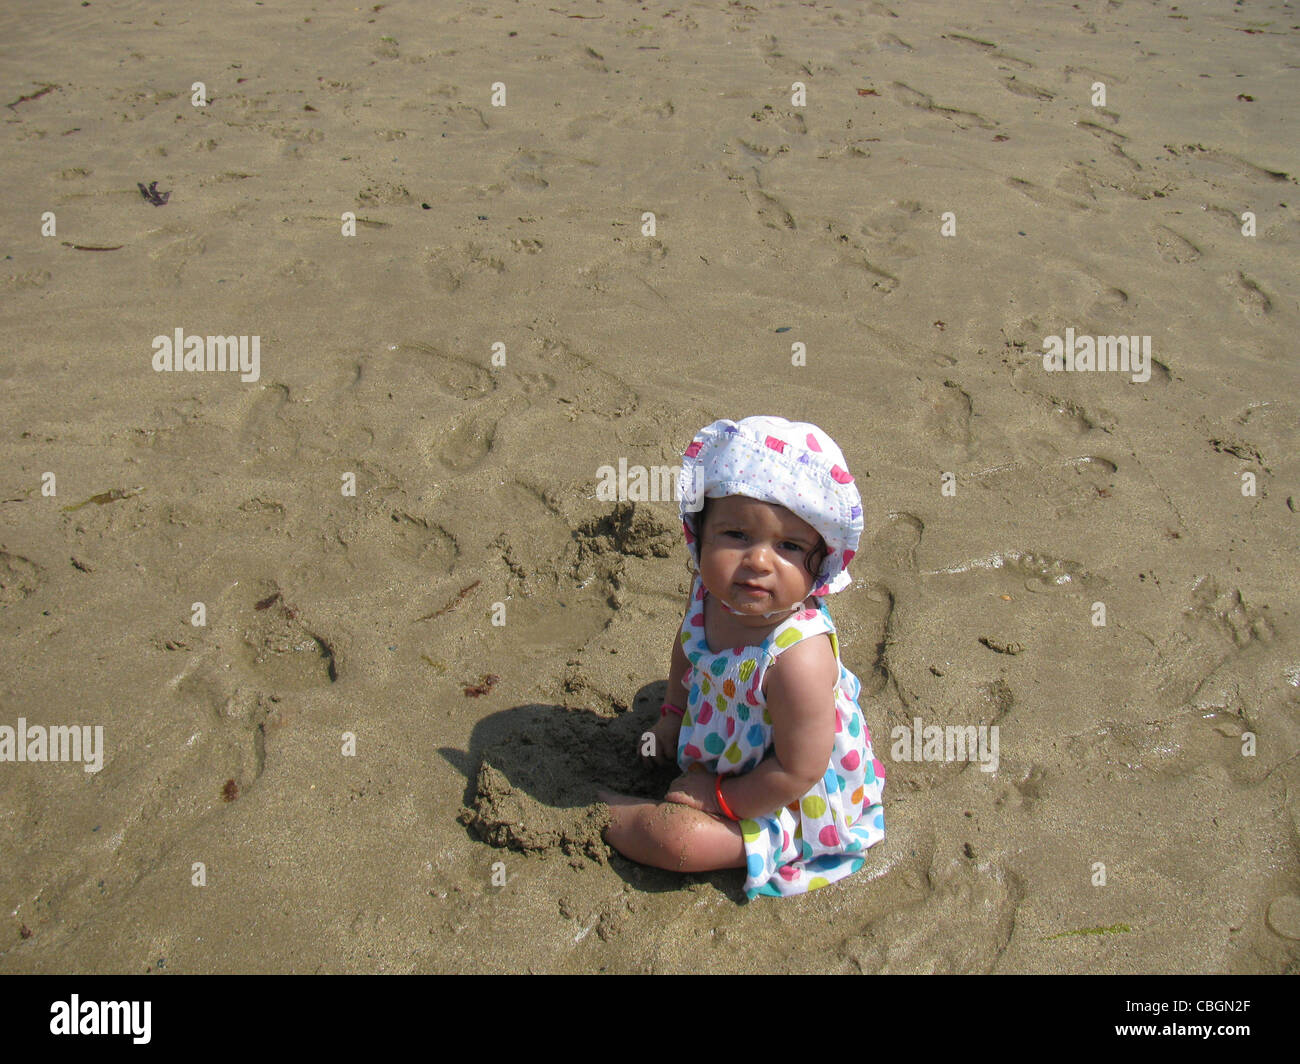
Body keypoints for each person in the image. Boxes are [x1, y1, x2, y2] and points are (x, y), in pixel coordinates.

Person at [599, 416, 886, 898]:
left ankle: (604, 810)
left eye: (789, 546)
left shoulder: (798, 658)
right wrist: (671, 715)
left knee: (679, 841)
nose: (757, 561)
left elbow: (798, 770)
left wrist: (719, 798)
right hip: (728, 741)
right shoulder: (710, 594)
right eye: (735, 535)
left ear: (821, 564)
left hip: (783, 790)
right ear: (700, 533)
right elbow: (687, 651)